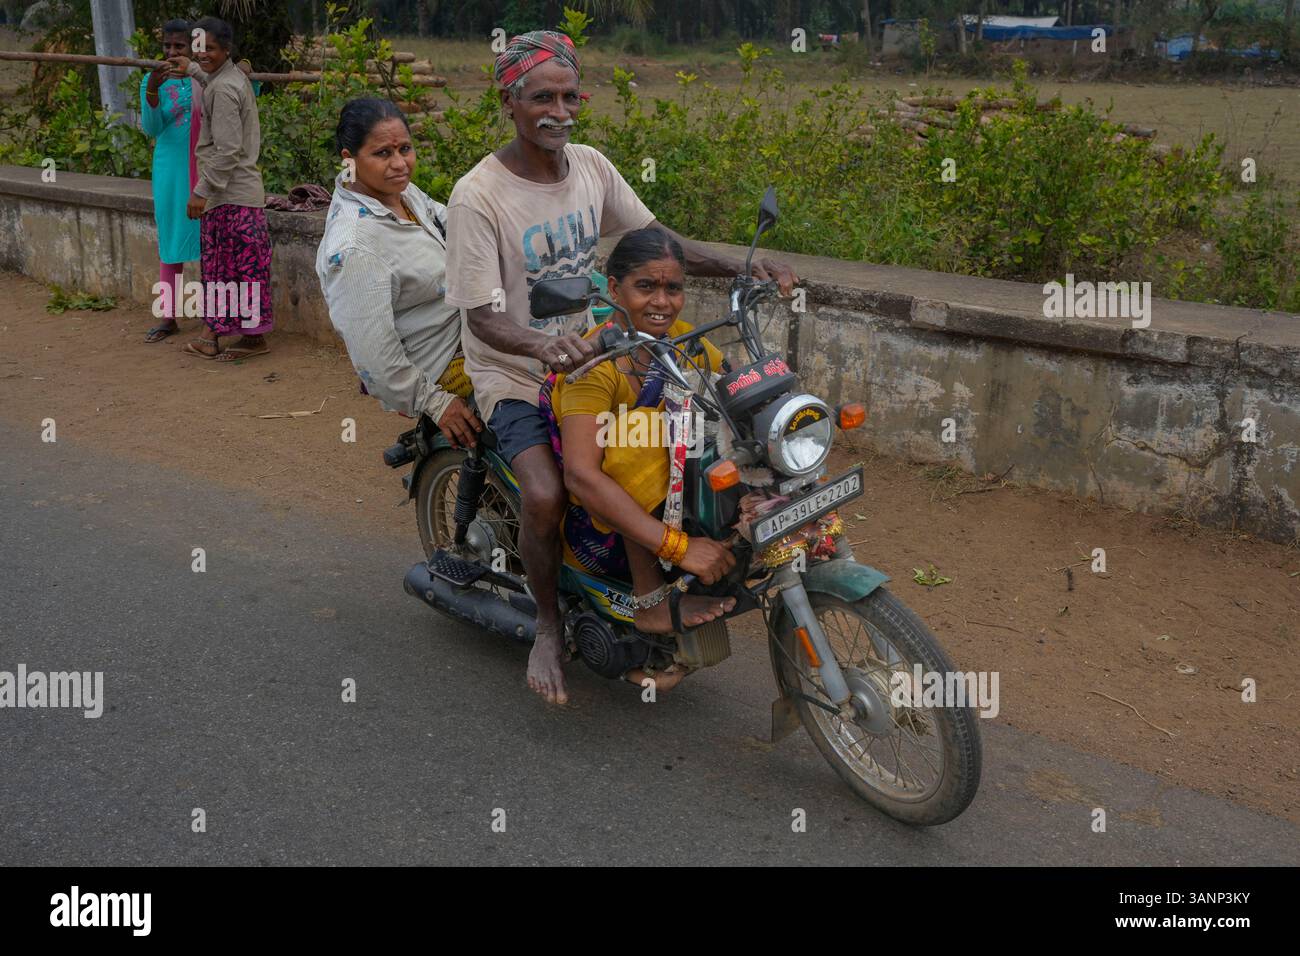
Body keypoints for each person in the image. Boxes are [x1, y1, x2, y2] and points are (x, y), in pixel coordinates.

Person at [443, 30, 798, 705]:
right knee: (549, 493)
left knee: (690, 439)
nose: (559, 110)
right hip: (514, 376)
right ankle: (548, 626)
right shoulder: (477, 196)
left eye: (569, 95)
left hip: (603, 349)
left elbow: (661, 245)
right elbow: (481, 318)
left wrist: (749, 265)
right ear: (509, 99)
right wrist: (542, 346)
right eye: (542, 96)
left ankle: (663, 576)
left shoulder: (592, 167)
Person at [539, 228, 738, 690]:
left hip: (661, 504)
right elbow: (582, 477)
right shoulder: (593, 366)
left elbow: (729, 392)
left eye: (673, 288)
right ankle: (649, 600)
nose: (662, 302)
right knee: (641, 440)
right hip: (599, 519)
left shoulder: (686, 342)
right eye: (645, 287)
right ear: (614, 290)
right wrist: (681, 548)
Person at [315, 98, 481, 445]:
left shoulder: (402, 195)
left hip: (466, 329)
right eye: (382, 153)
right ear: (350, 160)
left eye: (405, 149)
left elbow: (451, 221)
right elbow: (373, 356)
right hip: (439, 364)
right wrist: (435, 402)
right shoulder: (355, 248)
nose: (399, 163)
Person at [179, 16, 274, 362]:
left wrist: (202, 191)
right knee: (242, 270)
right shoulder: (230, 78)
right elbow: (211, 75)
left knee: (223, 270)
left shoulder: (222, 89)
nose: (203, 55)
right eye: (198, 49)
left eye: (210, 49)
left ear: (227, 49)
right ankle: (248, 336)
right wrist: (191, 67)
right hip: (242, 195)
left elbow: (228, 150)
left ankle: (212, 336)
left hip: (229, 194)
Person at [140, 18, 202, 344]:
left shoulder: (205, 77)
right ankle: (168, 316)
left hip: (206, 170)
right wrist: (151, 89)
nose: (172, 52)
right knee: (170, 241)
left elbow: (240, 94)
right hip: (170, 170)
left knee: (211, 241)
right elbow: (152, 128)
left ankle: (214, 315)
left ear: (194, 48)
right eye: (168, 46)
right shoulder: (154, 82)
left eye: (180, 46)